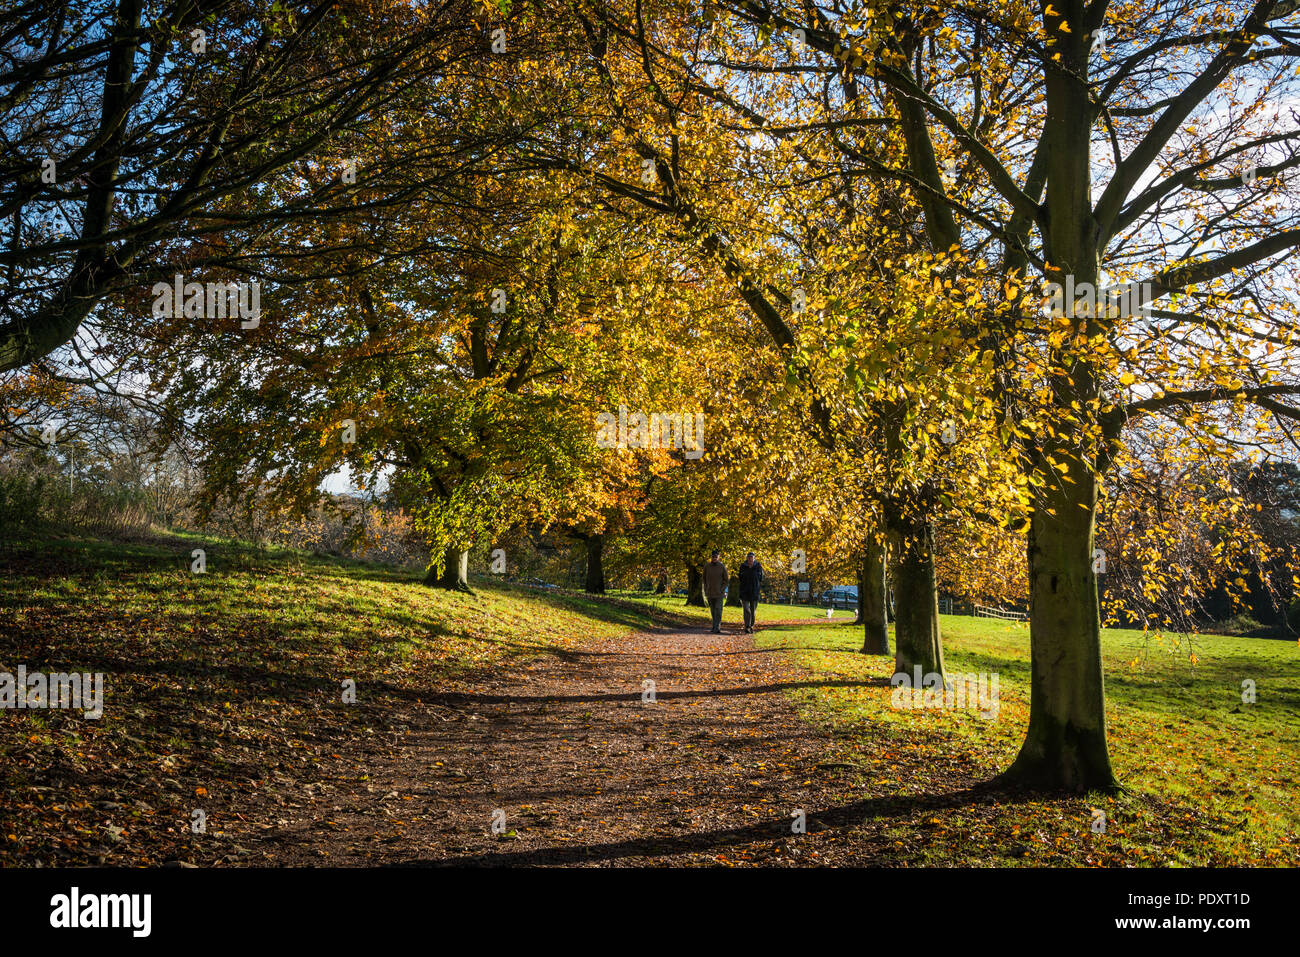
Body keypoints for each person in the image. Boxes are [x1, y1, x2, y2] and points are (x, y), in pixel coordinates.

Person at [702, 549, 729, 634]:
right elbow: (704, 579)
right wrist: (706, 588)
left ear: (718, 557)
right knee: (713, 610)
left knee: (718, 610)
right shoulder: (707, 566)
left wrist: (722, 589)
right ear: (711, 557)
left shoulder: (721, 566)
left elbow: (726, 580)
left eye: (716, 557)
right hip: (710, 592)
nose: (714, 558)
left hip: (719, 593)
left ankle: (717, 627)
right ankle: (714, 626)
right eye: (713, 557)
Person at [736, 552, 764, 633]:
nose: (750, 559)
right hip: (744, 591)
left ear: (754, 558)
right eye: (749, 557)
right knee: (746, 609)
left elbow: (761, 578)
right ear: (747, 558)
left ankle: (751, 626)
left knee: (753, 611)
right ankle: (747, 626)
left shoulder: (758, 566)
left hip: (754, 592)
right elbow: (740, 578)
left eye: (752, 557)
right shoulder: (743, 566)